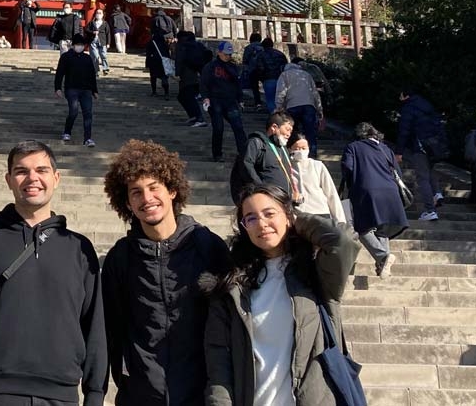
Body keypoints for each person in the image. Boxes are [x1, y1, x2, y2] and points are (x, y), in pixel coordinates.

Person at [0, 140, 107, 406]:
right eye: (21, 171)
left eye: (41, 170)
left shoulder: (79, 248)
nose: (32, 178)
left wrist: (95, 393)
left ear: (56, 178)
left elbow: (95, 327)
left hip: (60, 394)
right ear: (8, 179)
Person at [204, 184, 359, 406]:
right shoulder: (232, 286)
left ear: (288, 215)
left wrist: (297, 220)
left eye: (269, 213)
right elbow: (219, 360)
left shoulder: (317, 275)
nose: (262, 224)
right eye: (251, 218)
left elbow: (342, 240)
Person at [101, 140, 229, 406]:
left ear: (172, 190)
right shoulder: (120, 258)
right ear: (127, 202)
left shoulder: (208, 247)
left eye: (153, 187)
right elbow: (112, 328)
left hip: (201, 394)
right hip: (140, 395)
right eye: (136, 192)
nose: (146, 198)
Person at [341, 122, 409, 277]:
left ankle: (383, 257)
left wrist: (351, 186)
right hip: (391, 192)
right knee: (382, 230)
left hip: (367, 191)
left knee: (361, 227)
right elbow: (398, 172)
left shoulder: (353, 147)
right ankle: (383, 266)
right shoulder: (386, 149)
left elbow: (348, 168)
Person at [396, 87, 446, 221]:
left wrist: (399, 151)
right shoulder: (427, 105)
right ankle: (437, 193)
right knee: (430, 171)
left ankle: (430, 210)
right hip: (434, 146)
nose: (399, 98)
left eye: (400, 95)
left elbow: (404, 130)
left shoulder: (408, 108)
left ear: (406, 96)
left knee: (422, 177)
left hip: (420, 147)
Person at [231, 112, 296, 202]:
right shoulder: (256, 142)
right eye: (287, 129)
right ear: (274, 127)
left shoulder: (283, 149)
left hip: (283, 201)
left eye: (291, 132)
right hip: (265, 200)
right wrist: (261, 189)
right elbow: (246, 166)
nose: (289, 134)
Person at [200, 41, 248, 163]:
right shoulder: (210, 67)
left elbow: (237, 85)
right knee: (218, 128)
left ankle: (244, 153)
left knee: (238, 127)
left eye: (229, 54)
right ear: (219, 53)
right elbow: (204, 83)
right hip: (215, 100)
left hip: (230, 101)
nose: (228, 56)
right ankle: (217, 154)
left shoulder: (233, 67)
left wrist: (240, 99)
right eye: (226, 54)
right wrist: (205, 97)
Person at [289, 136, 347, 225]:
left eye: (304, 148)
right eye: (297, 148)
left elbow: (331, 192)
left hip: (320, 212)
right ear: (290, 149)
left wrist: (340, 219)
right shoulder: (287, 167)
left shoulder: (317, 165)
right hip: (298, 215)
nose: (301, 151)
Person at [56, 33, 100, 147]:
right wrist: (58, 88)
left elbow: (92, 75)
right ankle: (67, 131)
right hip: (72, 89)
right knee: (73, 111)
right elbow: (60, 73)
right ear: (73, 45)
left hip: (86, 90)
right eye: (78, 44)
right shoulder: (66, 57)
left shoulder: (87, 58)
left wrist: (95, 90)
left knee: (88, 113)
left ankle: (87, 138)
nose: (80, 46)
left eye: (82, 45)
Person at [276, 62, 324, 157]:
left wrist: (279, 107)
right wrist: (319, 109)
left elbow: (281, 92)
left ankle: (293, 151)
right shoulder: (307, 75)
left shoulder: (284, 75)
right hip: (309, 105)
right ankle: (312, 153)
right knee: (310, 131)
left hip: (292, 105)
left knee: (293, 130)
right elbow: (315, 93)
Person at [175, 30, 210, 128]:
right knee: (182, 96)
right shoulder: (198, 45)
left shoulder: (182, 46)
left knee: (188, 97)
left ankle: (199, 118)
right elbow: (208, 55)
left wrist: (177, 73)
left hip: (188, 75)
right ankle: (193, 116)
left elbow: (179, 60)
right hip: (200, 73)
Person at [256, 39, 288, 113]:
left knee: (270, 100)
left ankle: (274, 116)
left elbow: (260, 68)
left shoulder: (261, 55)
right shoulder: (280, 54)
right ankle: (282, 116)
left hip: (268, 78)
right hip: (281, 79)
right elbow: (285, 66)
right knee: (282, 100)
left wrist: (261, 78)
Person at [144, 30, 171, 98]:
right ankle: (166, 93)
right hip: (163, 62)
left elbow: (148, 54)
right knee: (164, 77)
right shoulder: (164, 43)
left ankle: (154, 91)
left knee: (153, 77)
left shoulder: (151, 43)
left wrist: (147, 64)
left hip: (153, 62)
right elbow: (168, 53)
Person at [240, 34, 264, 109]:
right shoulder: (263, 47)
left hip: (252, 69)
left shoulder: (249, 47)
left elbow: (245, 60)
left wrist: (245, 70)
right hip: (263, 69)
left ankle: (258, 103)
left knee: (255, 87)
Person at [86, 8, 112, 75]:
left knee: (103, 56)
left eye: (100, 13)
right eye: (97, 13)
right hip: (93, 41)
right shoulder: (92, 23)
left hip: (102, 41)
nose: (98, 14)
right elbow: (86, 30)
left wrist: (108, 43)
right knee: (95, 56)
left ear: (103, 14)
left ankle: (105, 68)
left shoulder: (105, 23)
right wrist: (93, 32)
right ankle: (96, 70)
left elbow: (108, 33)